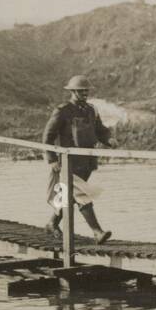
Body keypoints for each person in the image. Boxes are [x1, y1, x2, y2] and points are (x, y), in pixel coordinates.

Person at [42, 75, 113, 244]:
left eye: (86, 91)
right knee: (82, 195)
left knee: (69, 196)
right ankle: (97, 232)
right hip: (68, 163)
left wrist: (108, 140)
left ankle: (52, 223)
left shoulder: (91, 109)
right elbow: (47, 137)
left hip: (86, 163)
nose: (84, 94)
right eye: (80, 91)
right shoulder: (63, 110)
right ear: (72, 91)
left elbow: (100, 130)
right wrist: (52, 160)